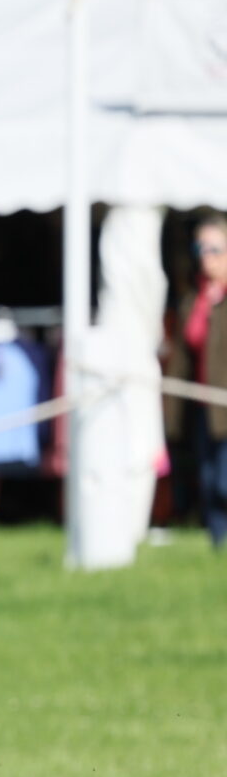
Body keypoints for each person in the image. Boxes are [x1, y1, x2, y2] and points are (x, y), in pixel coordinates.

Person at [166, 211, 227, 548]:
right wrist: (171, 417)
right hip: (205, 407)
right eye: (200, 249)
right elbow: (182, 359)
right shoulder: (194, 301)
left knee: (224, 480)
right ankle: (218, 545)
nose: (207, 257)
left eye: (215, 249)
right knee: (207, 478)